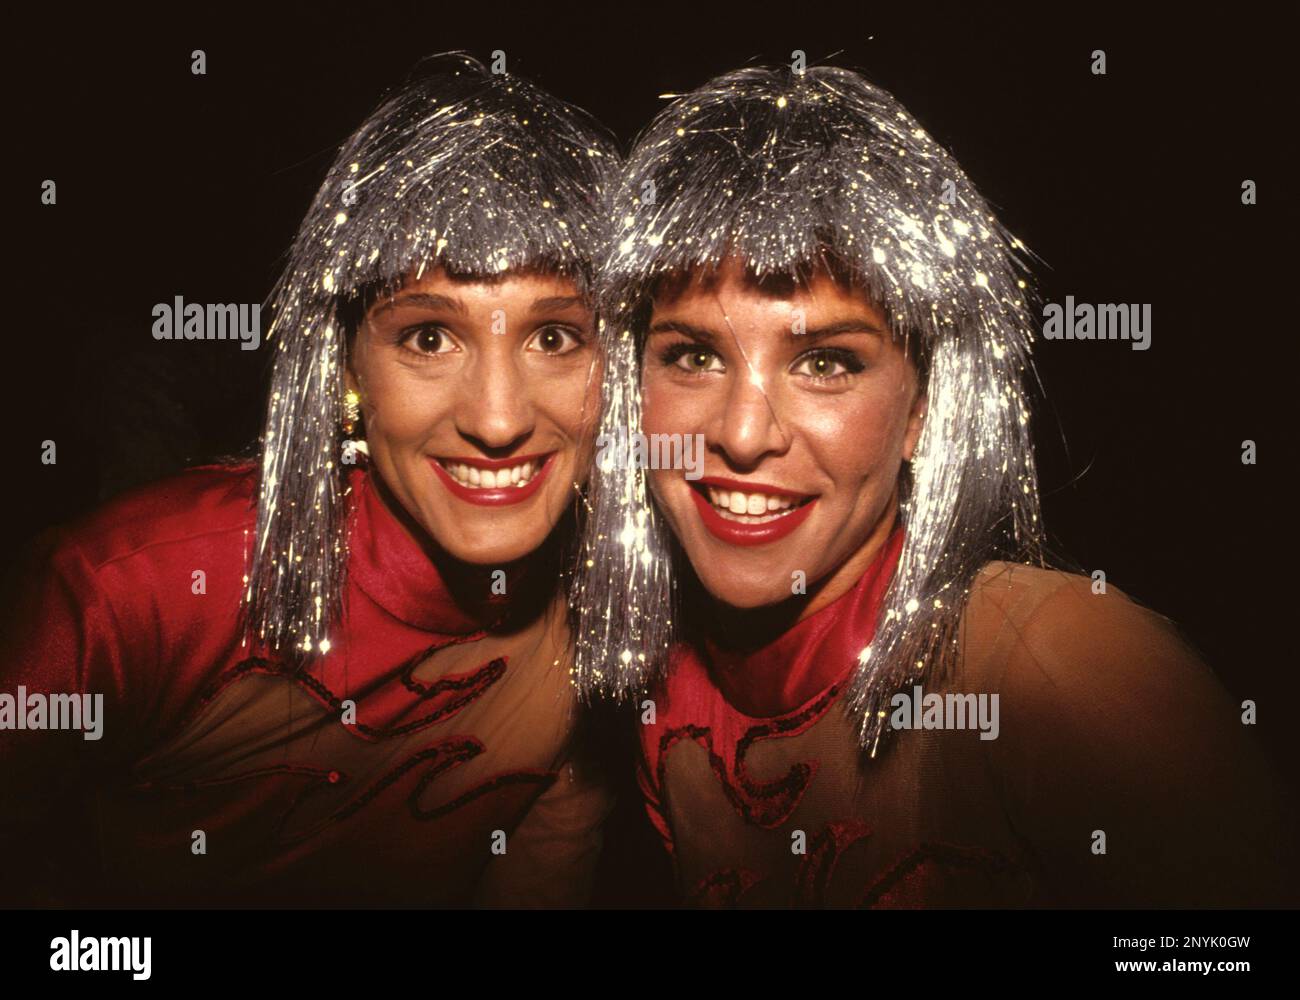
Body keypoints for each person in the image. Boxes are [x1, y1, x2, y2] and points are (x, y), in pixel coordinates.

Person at [571, 64, 1298, 907]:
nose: (741, 433)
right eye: (693, 356)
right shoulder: (658, 691)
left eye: (826, 362)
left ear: (921, 411)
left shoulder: (1057, 663)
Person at [0, 53, 619, 907]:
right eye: (430, 338)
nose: (500, 417)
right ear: (346, 370)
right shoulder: (131, 591)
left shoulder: (620, 610)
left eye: (555, 338)